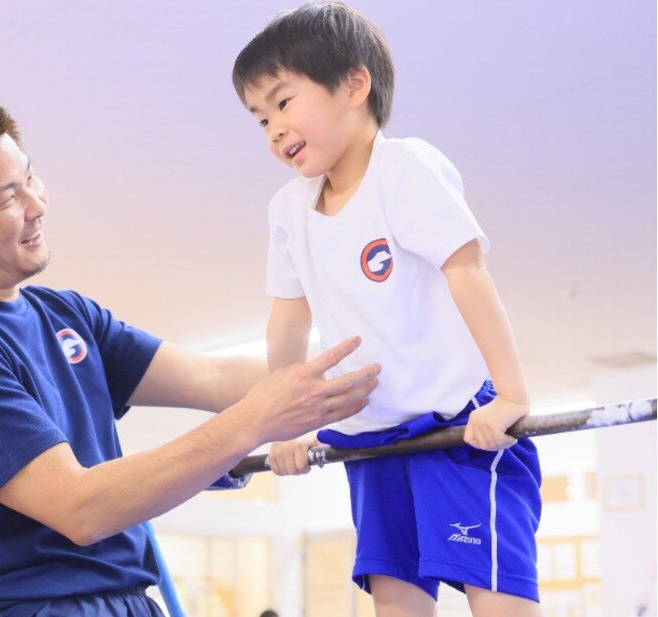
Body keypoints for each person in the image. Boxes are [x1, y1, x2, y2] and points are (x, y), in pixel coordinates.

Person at [0, 87, 380, 616]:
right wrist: (254, 422)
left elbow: (209, 376)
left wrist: (378, 374)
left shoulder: (64, 315)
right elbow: (79, 507)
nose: (37, 205)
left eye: (30, 178)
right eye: (7, 198)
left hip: (127, 600)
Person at [231, 3, 542, 616]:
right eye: (261, 118)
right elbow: (288, 322)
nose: (273, 129)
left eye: (284, 102)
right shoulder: (288, 209)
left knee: (497, 599)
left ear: (354, 84)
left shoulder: (404, 168)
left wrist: (511, 395)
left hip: (454, 424)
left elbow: (467, 273)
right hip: (370, 439)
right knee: (396, 601)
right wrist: (285, 425)